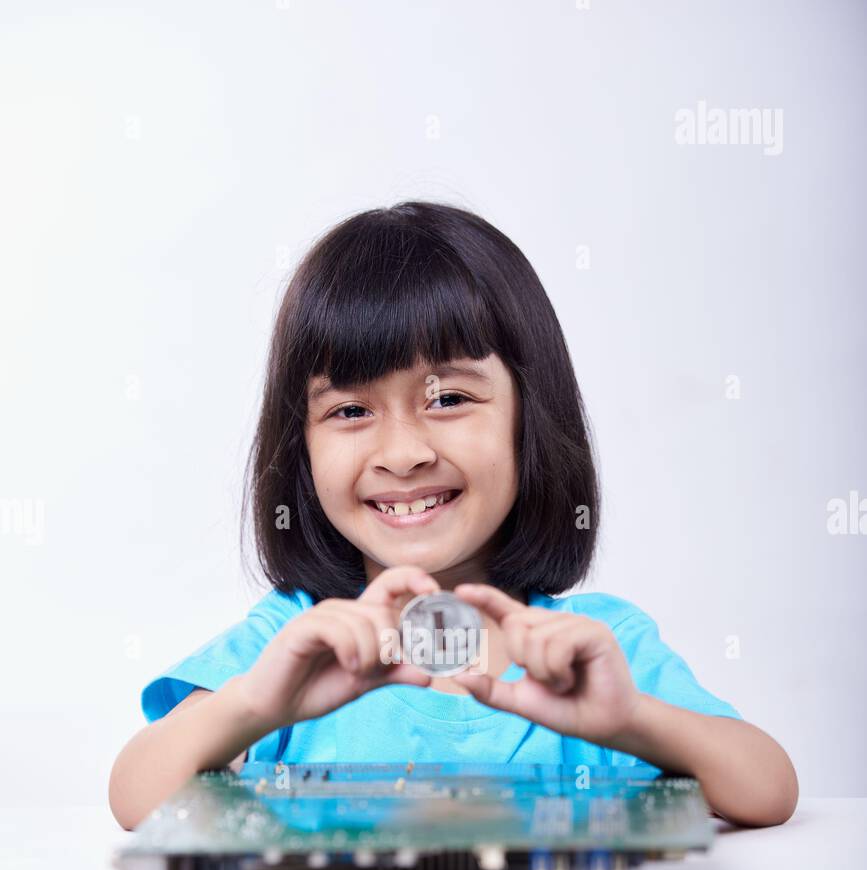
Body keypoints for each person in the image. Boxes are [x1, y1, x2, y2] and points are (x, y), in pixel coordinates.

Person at [109, 202, 798, 831]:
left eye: (448, 400)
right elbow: (135, 797)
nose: (404, 454)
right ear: (302, 448)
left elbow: (767, 789)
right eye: (350, 411)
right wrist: (255, 708)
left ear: (529, 418)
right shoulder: (288, 643)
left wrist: (632, 723)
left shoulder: (591, 647)